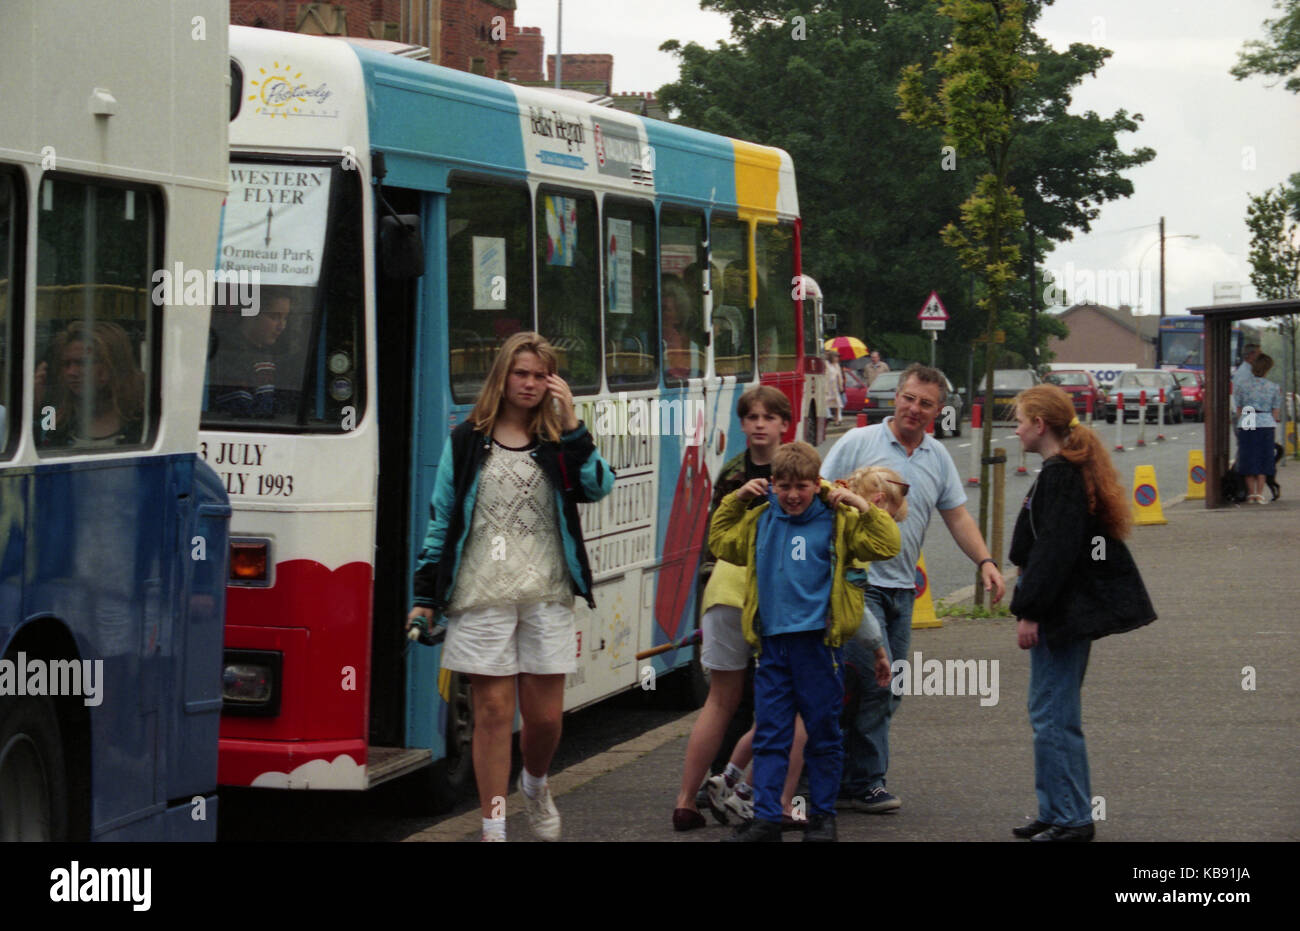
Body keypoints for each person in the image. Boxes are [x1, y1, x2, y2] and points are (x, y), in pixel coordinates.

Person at [406, 332, 615, 842]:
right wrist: (425, 597)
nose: (529, 384)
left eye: (541, 375)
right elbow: (441, 521)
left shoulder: (557, 441)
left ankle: (536, 784)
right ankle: (493, 825)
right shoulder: (466, 439)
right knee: (493, 713)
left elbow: (598, 485)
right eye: (521, 373)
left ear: (553, 382)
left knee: (543, 719)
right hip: (481, 591)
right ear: (503, 376)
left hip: (545, 590)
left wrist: (571, 426)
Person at [820, 363, 1005, 813]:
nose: (914, 409)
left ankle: (838, 779)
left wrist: (984, 561)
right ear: (896, 397)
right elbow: (819, 491)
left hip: (904, 590)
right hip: (859, 584)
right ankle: (862, 782)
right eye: (908, 398)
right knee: (870, 681)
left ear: (939, 410)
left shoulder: (936, 457)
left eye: (926, 403)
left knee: (888, 683)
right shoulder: (858, 442)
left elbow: (957, 515)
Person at [710, 441, 901, 842]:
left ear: (818, 484)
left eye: (803, 486)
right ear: (772, 485)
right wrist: (736, 498)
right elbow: (720, 541)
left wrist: (860, 504)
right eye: (784, 486)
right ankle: (766, 818)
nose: (793, 495)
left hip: (819, 645)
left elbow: (886, 545)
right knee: (771, 734)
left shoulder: (838, 520)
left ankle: (822, 818)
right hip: (773, 646)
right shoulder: (761, 518)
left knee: (823, 733)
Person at [1008, 384, 1156, 841]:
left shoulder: (1060, 477)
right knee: (1048, 712)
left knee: (1054, 715)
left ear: (1039, 425)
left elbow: (1055, 553)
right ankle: (1055, 811)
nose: (1014, 429)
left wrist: (1029, 611)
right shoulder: (1062, 471)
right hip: (1064, 611)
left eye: (1018, 420)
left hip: (1060, 616)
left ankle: (1072, 817)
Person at [672, 385, 789, 831]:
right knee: (772, 702)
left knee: (728, 701)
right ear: (743, 424)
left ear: (783, 423)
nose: (759, 424)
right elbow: (714, 539)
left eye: (767, 417)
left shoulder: (780, 468)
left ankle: (702, 793)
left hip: (731, 590)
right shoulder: (740, 475)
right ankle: (747, 794)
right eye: (752, 417)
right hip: (759, 595)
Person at [37, 320, 144, 447]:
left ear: (112, 365)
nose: (71, 372)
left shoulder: (146, 420)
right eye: (66, 364)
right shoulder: (56, 419)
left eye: (83, 363)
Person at [206, 289, 296, 418]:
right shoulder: (229, 353)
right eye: (274, 317)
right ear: (251, 314)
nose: (281, 326)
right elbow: (238, 414)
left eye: (285, 318)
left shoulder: (270, 353)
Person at [1233, 352, 1282, 504]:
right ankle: (1260, 494)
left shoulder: (1243, 386)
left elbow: (1239, 407)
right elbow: (1275, 410)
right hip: (1266, 421)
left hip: (1248, 418)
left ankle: (1251, 493)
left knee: (1248, 456)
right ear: (1267, 369)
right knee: (1263, 457)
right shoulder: (1273, 387)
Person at [824, 351, 845, 425]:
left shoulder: (837, 365)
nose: (837, 358)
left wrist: (841, 386)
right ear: (831, 357)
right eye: (835, 357)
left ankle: (837, 419)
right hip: (827, 387)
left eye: (837, 357)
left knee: (837, 404)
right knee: (825, 403)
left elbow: (839, 377)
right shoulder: (826, 364)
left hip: (834, 388)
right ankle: (827, 417)